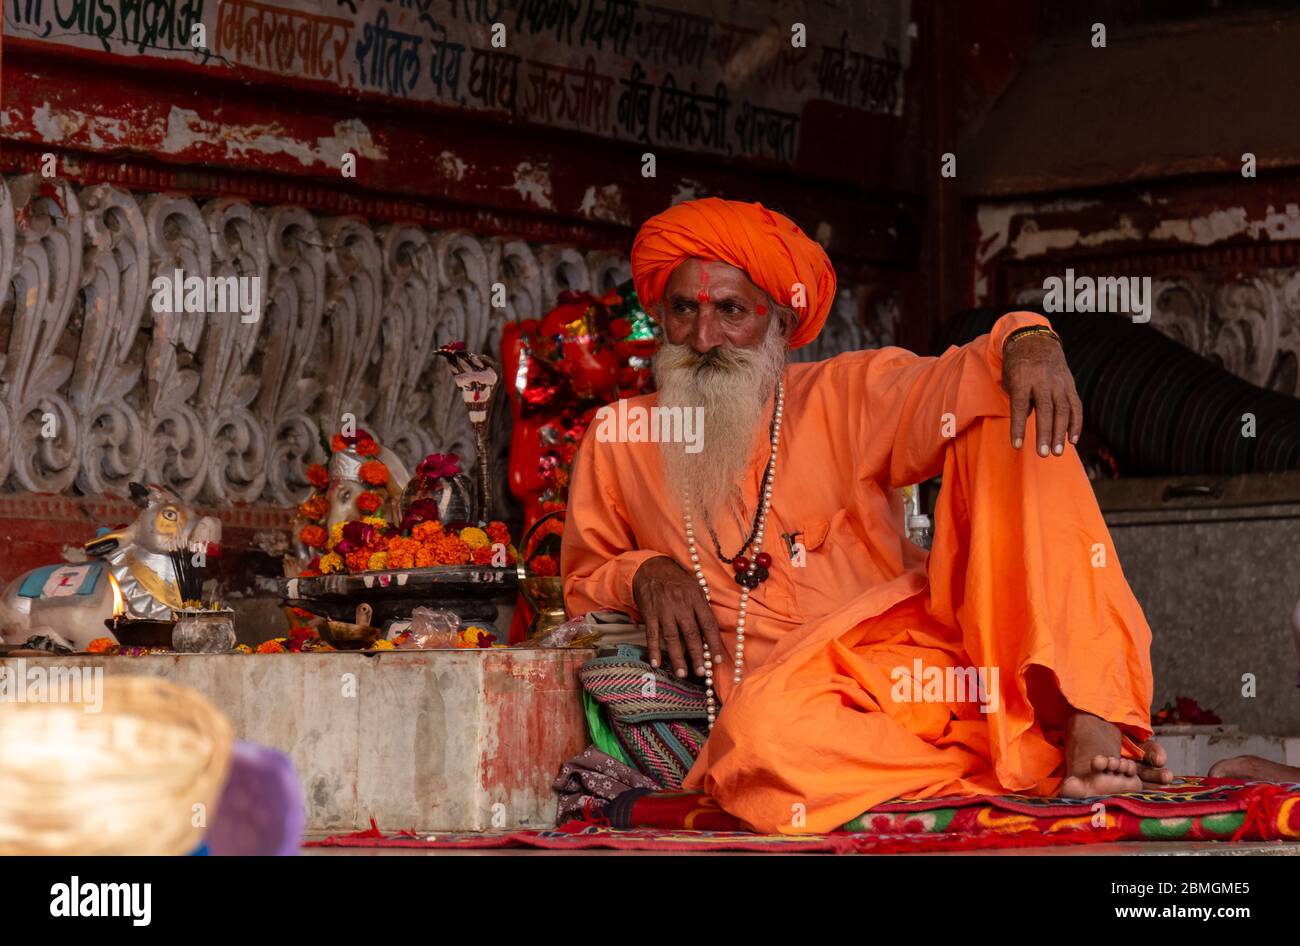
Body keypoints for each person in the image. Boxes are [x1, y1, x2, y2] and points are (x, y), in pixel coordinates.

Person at [560, 197, 1169, 834]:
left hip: (919, 671)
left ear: (779, 319)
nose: (704, 338)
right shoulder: (619, 435)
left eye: (731, 310)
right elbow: (580, 583)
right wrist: (643, 572)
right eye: (684, 309)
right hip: (807, 711)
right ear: (660, 314)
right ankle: (1035, 765)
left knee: (1008, 404)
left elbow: (958, 380)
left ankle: (1091, 708)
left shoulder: (846, 393)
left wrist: (1028, 336)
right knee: (758, 744)